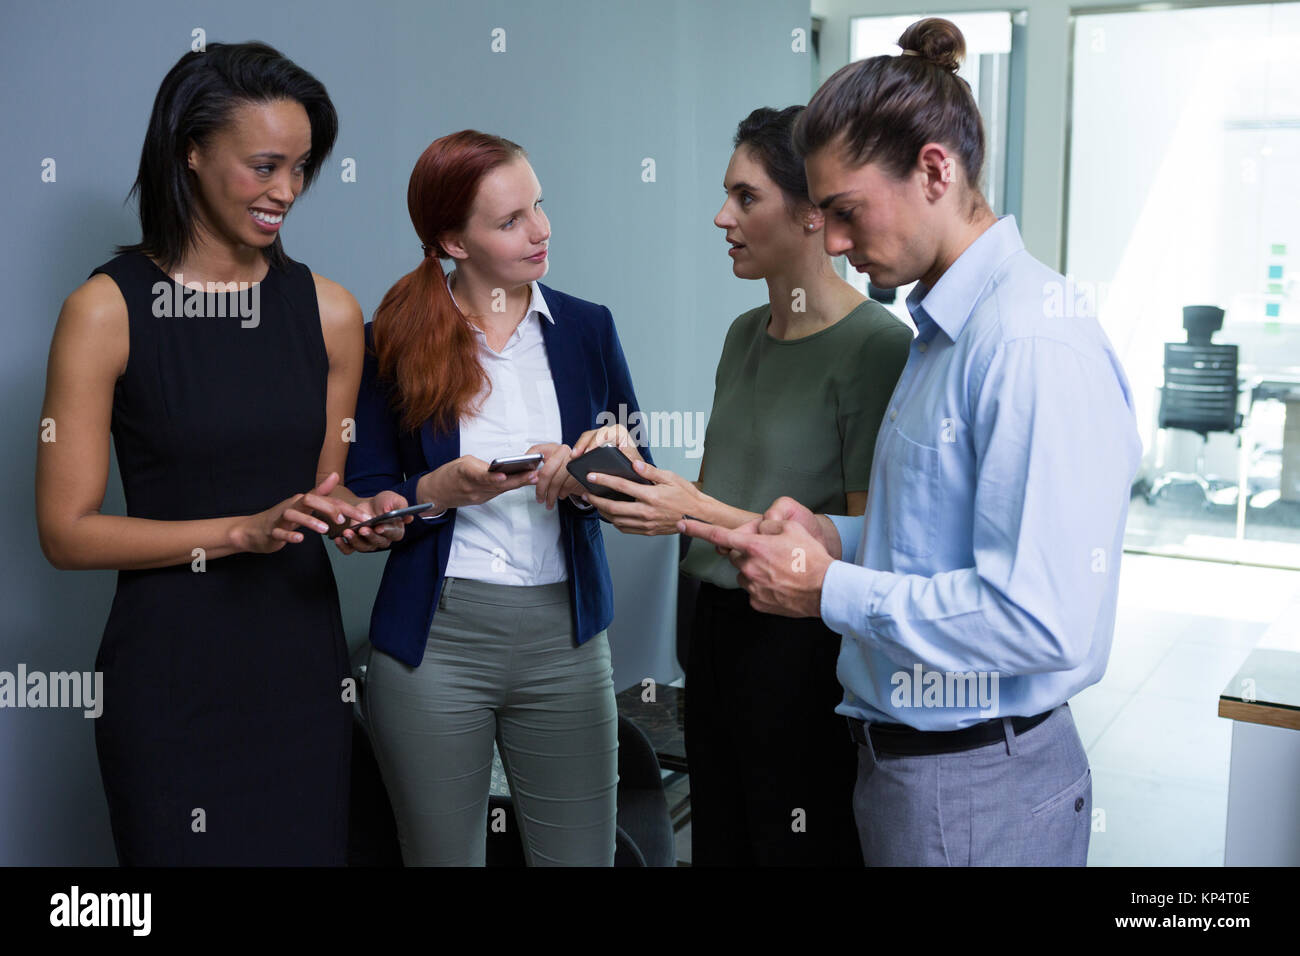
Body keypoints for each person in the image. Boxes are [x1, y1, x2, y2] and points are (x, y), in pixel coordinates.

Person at [681, 18, 1142, 866]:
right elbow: (941, 538)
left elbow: (1041, 619)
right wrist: (835, 536)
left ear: (936, 169)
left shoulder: (1029, 343)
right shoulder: (940, 335)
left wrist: (831, 588)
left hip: (976, 782)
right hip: (907, 770)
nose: (840, 243)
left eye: (848, 213)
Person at [35, 42, 408, 865]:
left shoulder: (331, 312)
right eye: (265, 166)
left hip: (301, 669)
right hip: (172, 678)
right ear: (190, 152)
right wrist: (239, 532)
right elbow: (66, 533)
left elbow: (323, 492)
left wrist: (361, 517)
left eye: (303, 167)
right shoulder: (104, 311)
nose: (287, 192)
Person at [579, 106, 911, 865]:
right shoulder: (742, 333)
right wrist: (649, 492)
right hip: (709, 626)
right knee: (722, 839)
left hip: (801, 641)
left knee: (795, 842)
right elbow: (725, 490)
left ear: (809, 213)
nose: (722, 216)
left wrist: (694, 508)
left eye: (746, 197)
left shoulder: (878, 349)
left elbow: (868, 544)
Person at [345, 130, 652, 866]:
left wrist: (585, 470)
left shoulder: (587, 328)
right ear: (453, 239)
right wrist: (437, 491)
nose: (541, 230)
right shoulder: (389, 339)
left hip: (567, 640)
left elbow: (641, 472)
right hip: (434, 644)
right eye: (511, 220)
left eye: (538, 207)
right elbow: (365, 491)